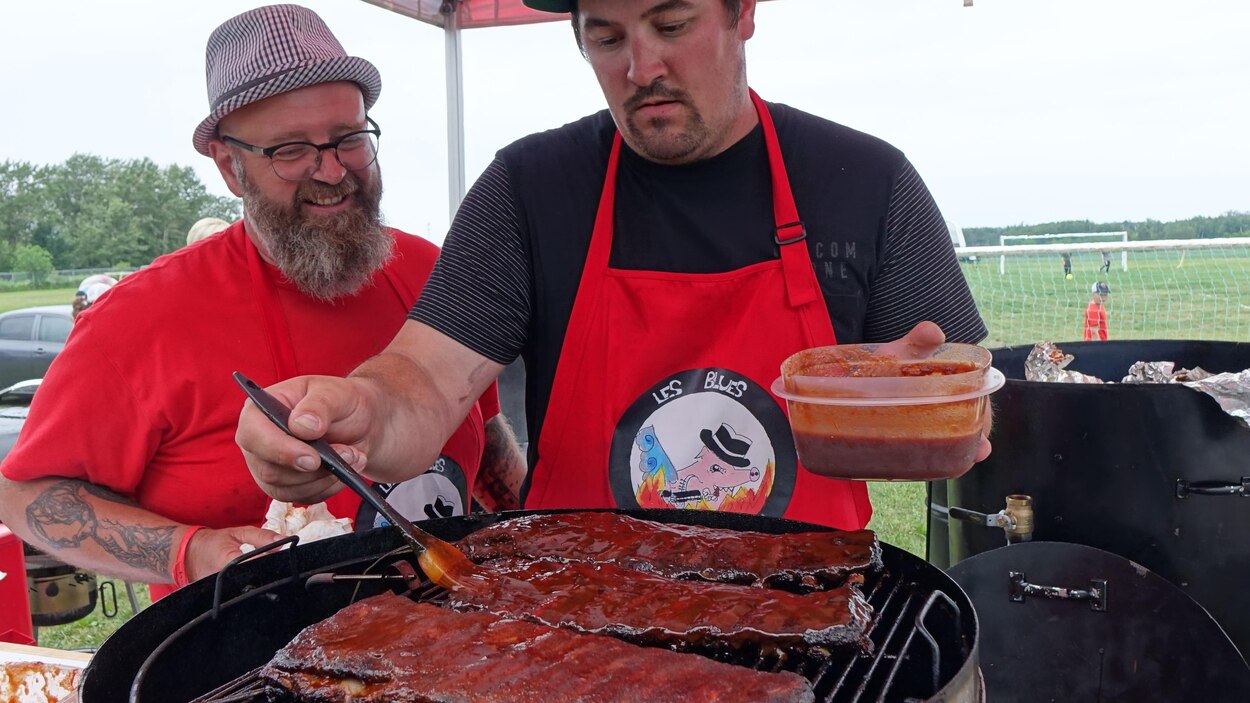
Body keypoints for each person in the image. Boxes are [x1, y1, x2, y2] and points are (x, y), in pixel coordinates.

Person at [237, 0, 991, 532]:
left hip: (804, 612)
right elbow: (426, 380)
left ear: (744, 12)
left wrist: (898, 408)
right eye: (605, 37)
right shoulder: (531, 189)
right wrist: (361, 413)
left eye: (672, 24)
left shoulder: (863, 182)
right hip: (584, 628)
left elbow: (968, 404)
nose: (641, 67)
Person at [0, 4, 523, 600]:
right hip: (253, 648)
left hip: (457, 633)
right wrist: (189, 552)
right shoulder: (138, 319)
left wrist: (539, 538)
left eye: (349, 138)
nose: (333, 171)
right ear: (230, 166)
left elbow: (485, 432)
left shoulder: (433, 268)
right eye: (291, 150)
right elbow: (26, 492)